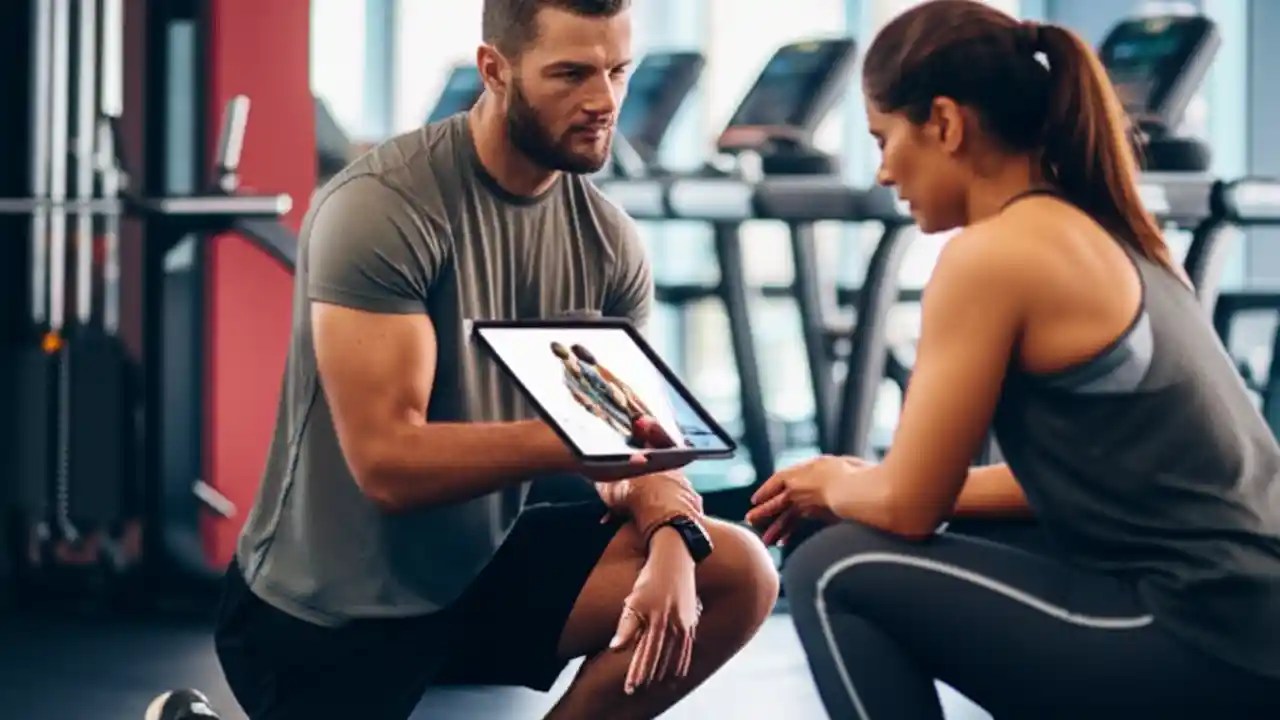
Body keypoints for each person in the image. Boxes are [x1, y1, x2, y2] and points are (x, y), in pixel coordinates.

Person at [209, 1, 778, 719]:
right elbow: (389, 464)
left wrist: (672, 536)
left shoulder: (607, 241)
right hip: (328, 613)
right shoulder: (384, 208)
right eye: (571, 74)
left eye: (617, 71)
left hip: (477, 572)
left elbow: (639, 452)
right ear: (494, 71)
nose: (603, 101)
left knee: (737, 571)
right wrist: (586, 440)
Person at [745, 2, 1280, 718]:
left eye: (884, 139)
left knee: (834, 564)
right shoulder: (1110, 229)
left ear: (944, 123)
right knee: (869, 526)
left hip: (1203, 636)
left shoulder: (994, 256)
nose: (881, 173)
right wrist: (865, 484)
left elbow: (908, 508)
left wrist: (836, 482)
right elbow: (1053, 488)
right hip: (1249, 628)